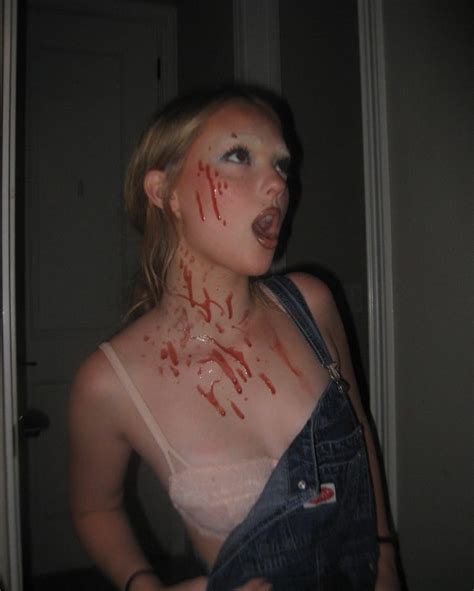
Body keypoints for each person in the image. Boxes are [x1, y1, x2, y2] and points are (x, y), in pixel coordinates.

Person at [69, 86, 401, 590]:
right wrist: (143, 585)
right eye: (239, 156)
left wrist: (385, 552)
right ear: (164, 191)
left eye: (282, 165)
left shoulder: (312, 305)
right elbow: (95, 508)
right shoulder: (108, 383)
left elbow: (359, 427)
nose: (278, 184)